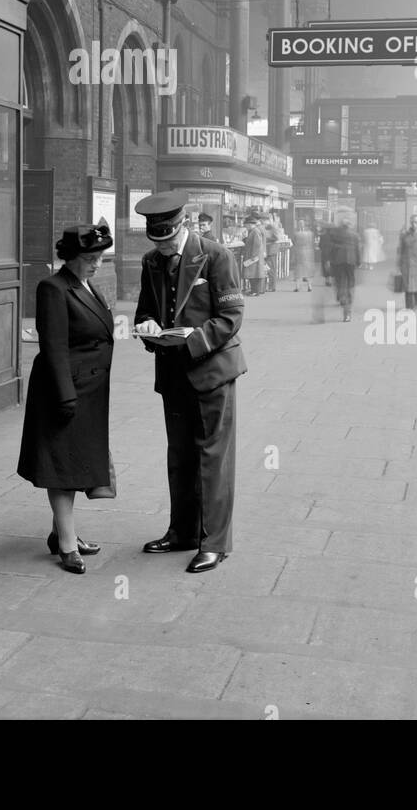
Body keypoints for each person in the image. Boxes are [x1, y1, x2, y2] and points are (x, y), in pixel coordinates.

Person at [133, 192, 246, 574]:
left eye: (166, 241)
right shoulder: (151, 261)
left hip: (212, 372)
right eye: (156, 242)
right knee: (179, 456)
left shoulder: (216, 256)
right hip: (172, 374)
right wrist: (148, 327)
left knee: (213, 458)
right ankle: (181, 531)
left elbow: (231, 315)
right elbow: (145, 309)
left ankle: (214, 542)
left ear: (182, 225)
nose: (161, 249)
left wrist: (192, 340)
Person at [16, 221, 115, 575]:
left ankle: (61, 533)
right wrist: (65, 397)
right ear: (70, 257)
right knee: (61, 468)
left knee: (73, 463)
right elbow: (54, 346)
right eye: (90, 257)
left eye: (99, 257)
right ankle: (67, 545)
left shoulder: (85, 285)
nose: (96, 264)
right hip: (64, 391)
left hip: (88, 391)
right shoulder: (52, 288)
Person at [330, 213, 361, 322]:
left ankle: (342, 296)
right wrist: (358, 261)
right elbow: (357, 249)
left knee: (340, 282)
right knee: (350, 283)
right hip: (351, 262)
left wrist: (331, 261)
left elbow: (332, 249)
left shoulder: (335, 234)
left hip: (338, 262)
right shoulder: (355, 235)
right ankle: (348, 303)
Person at [241, 214, 267, 296]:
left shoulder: (255, 231)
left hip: (254, 257)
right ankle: (254, 290)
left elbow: (257, 244)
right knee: (253, 275)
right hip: (254, 257)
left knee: (254, 275)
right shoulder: (253, 231)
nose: (246, 227)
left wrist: (253, 256)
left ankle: (255, 291)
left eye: (246, 225)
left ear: (249, 224)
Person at [292, 219, 314, 292]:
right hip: (308, 253)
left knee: (298, 270)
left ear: (298, 225)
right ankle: (309, 286)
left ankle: (298, 287)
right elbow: (311, 243)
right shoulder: (310, 234)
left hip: (299, 252)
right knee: (307, 271)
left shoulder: (296, 234)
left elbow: (294, 242)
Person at [319, 221, 336, 286]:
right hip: (332, 254)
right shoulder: (334, 236)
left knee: (325, 267)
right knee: (332, 267)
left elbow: (320, 245)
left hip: (324, 254)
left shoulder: (322, 236)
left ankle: (327, 281)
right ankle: (332, 280)